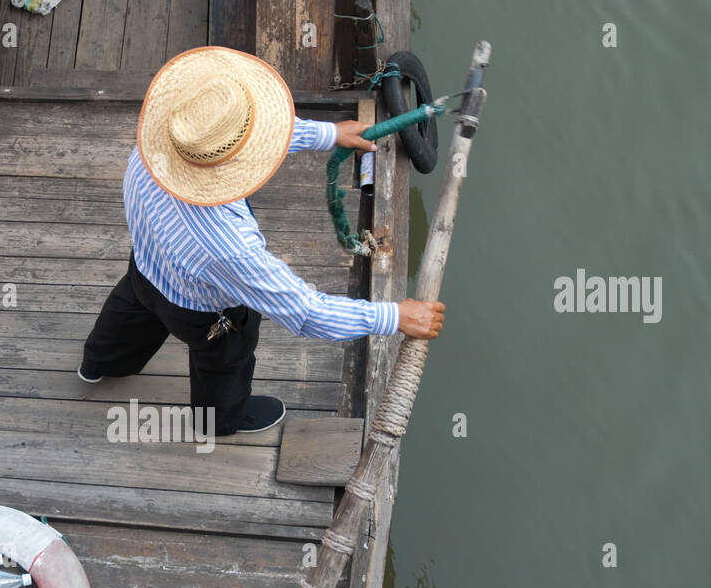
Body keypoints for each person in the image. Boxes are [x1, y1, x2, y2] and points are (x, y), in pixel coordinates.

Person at [78, 46, 446, 436]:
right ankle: (219, 422)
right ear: (237, 159)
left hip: (144, 269)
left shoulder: (152, 150)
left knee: (130, 312)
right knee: (225, 360)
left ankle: (99, 364)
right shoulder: (229, 247)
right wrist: (394, 316)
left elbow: (239, 141)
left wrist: (328, 134)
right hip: (201, 314)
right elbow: (305, 312)